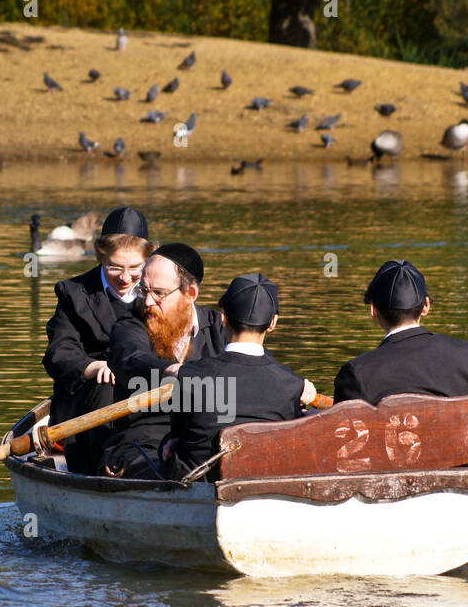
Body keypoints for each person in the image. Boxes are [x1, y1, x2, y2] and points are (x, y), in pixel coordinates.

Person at [162, 273, 317, 481]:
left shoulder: (191, 375)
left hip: (199, 481)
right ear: (273, 323)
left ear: (223, 317)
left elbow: (177, 435)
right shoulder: (292, 385)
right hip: (260, 483)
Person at [98, 243, 227, 479]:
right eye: (143, 290)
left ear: (190, 294)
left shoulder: (220, 327)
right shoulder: (129, 325)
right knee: (171, 471)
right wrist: (171, 371)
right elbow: (129, 358)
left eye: (158, 293)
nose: (147, 302)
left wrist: (291, 386)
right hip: (143, 442)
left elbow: (248, 359)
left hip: (207, 440)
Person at [42, 206, 153, 473]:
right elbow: (58, 353)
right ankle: (101, 469)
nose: (125, 278)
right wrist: (93, 367)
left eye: (135, 269)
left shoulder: (161, 292)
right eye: (115, 267)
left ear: (149, 261)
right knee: (106, 387)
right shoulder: (73, 293)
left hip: (147, 394)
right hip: (88, 399)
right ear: (98, 255)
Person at [333, 260, 468, 404]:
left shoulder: (357, 373)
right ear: (426, 306)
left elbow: (341, 430)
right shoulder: (466, 355)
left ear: (373, 310)